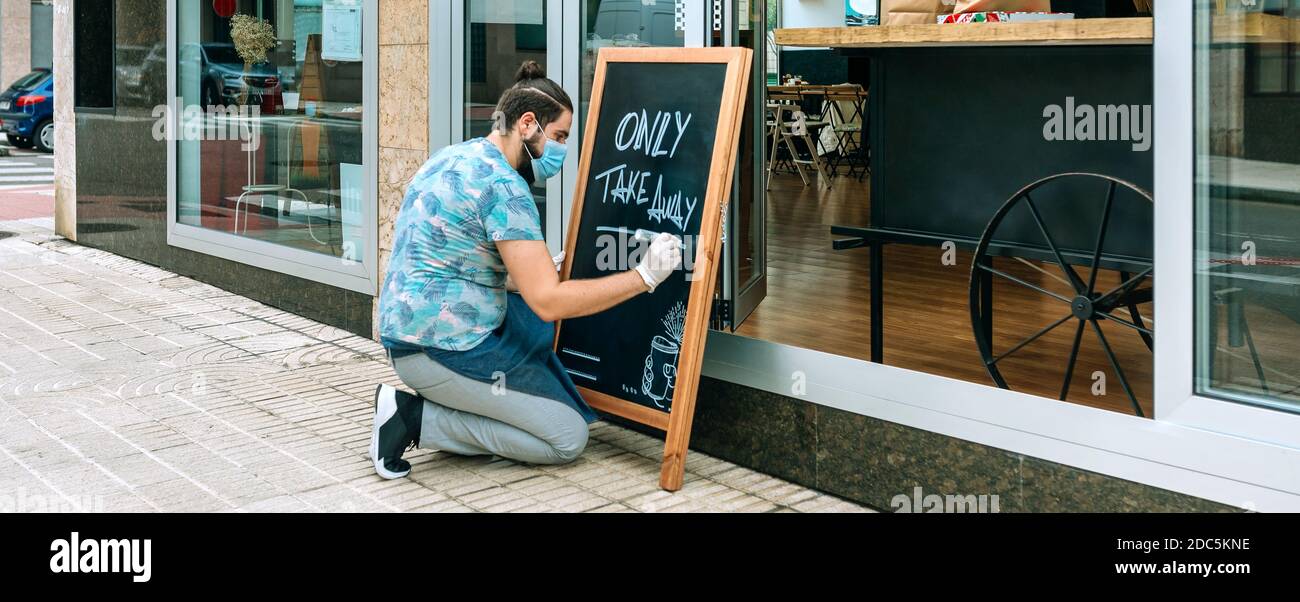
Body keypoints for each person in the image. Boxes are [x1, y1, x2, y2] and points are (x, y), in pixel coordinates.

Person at [370, 61, 684, 479]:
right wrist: (644, 277)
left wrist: (538, 267)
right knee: (567, 436)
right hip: (440, 351)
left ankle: (448, 407)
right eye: (558, 137)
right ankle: (413, 418)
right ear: (527, 123)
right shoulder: (505, 187)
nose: (559, 153)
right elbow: (548, 302)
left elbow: (464, 259)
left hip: (405, 336)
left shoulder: (453, 157)